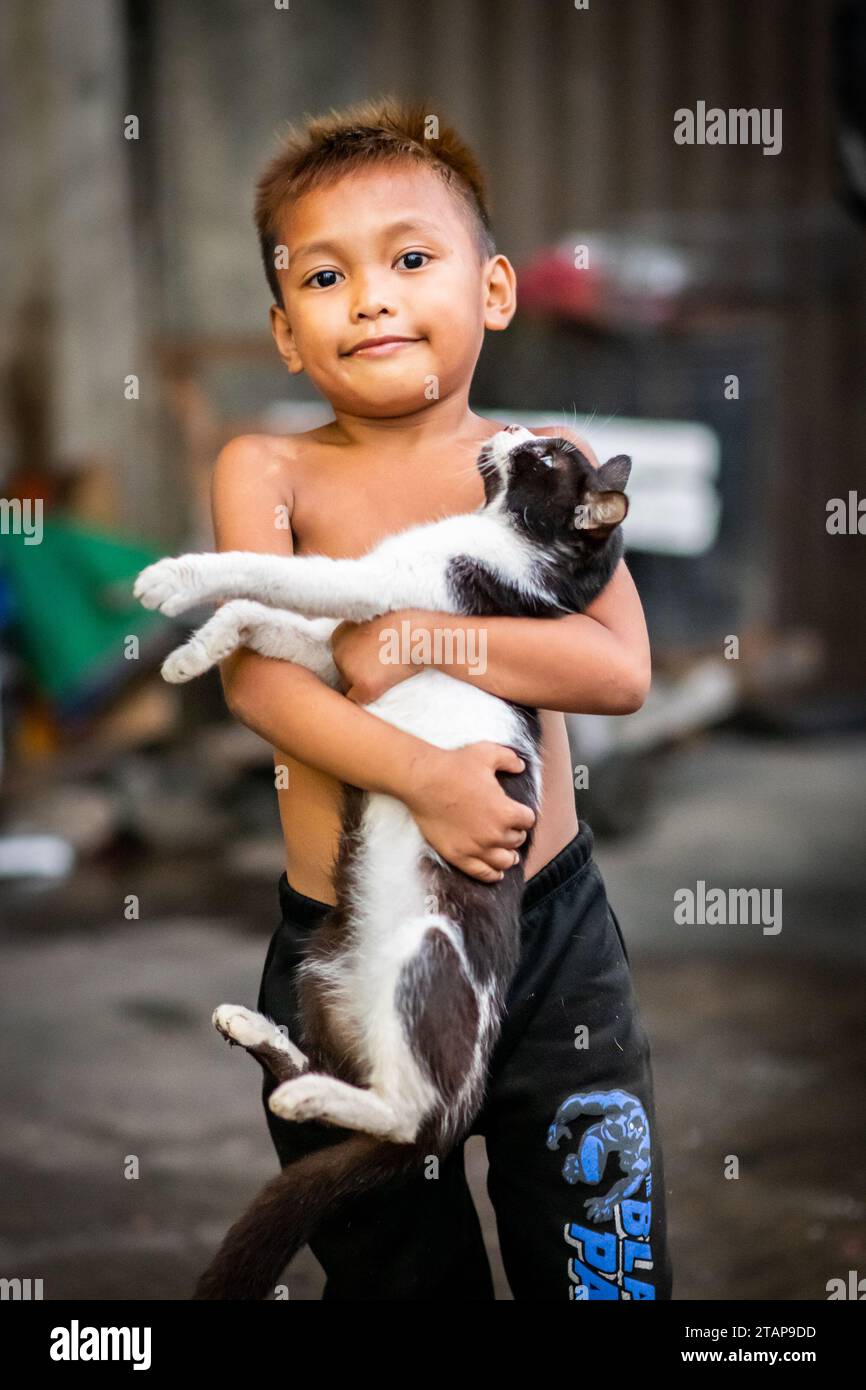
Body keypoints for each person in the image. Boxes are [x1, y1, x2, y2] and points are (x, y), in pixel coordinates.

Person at [212, 96, 673, 1300]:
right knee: (399, 1278)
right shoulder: (269, 468)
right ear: (282, 330)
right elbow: (254, 672)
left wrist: (423, 638)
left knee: (600, 1270)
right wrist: (420, 775)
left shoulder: (546, 463)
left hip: (548, 947)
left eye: (411, 259)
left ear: (495, 291)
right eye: (324, 276)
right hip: (351, 947)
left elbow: (615, 669)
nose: (369, 297)